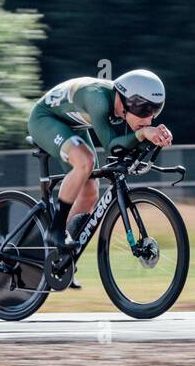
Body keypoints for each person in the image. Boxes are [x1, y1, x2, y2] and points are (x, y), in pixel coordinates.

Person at [27, 69, 174, 247]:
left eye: (154, 111)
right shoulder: (99, 100)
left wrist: (154, 137)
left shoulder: (121, 107)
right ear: (128, 101)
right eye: (144, 110)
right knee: (85, 162)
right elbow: (112, 147)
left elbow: (126, 148)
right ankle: (56, 230)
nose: (149, 119)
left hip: (72, 123)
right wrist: (143, 133)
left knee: (90, 191)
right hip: (44, 120)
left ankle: (59, 257)